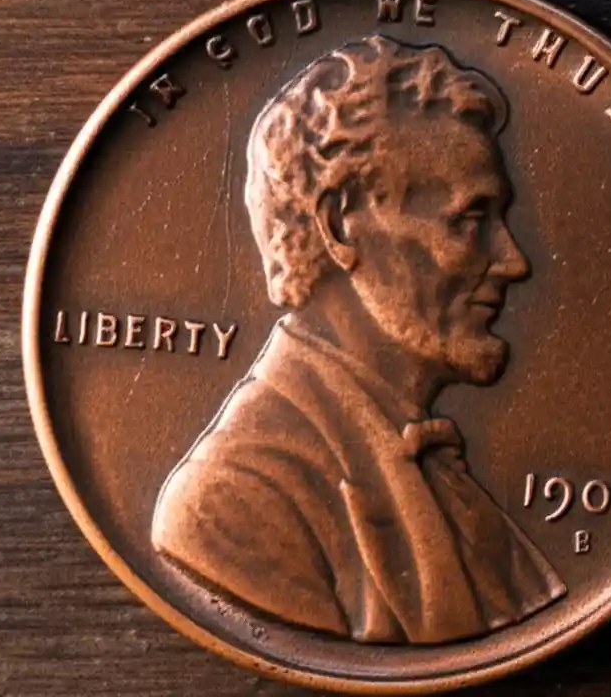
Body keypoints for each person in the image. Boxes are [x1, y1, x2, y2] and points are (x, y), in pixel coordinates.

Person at [151, 35, 565, 645]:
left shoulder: (437, 471)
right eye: (470, 219)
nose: (513, 261)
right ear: (341, 225)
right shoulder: (234, 503)